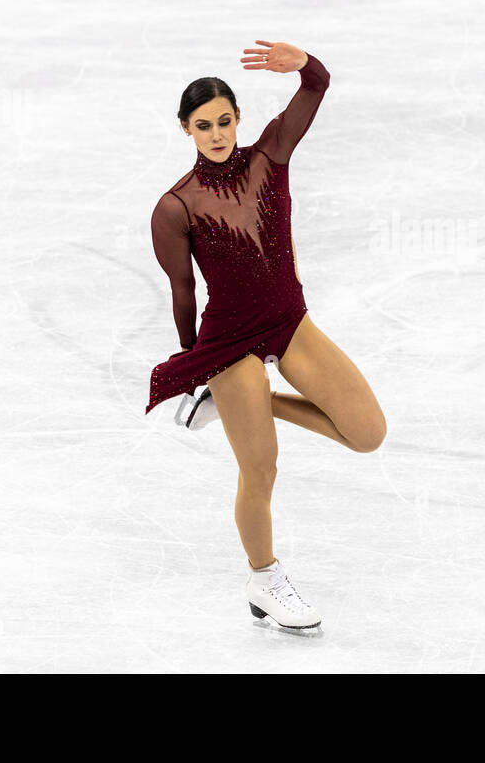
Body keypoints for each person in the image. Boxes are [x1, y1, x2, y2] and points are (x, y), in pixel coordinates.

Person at [146, 40, 387, 631]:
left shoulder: (269, 156)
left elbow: (317, 86)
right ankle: (265, 580)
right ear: (186, 130)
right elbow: (184, 293)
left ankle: (250, 406)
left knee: (367, 433)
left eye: (225, 121)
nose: (217, 133)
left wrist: (303, 61)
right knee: (261, 469)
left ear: (238, 120)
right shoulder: (175, 207)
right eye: (204, 126)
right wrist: (194, 363)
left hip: (289, 321)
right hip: (230, 342)